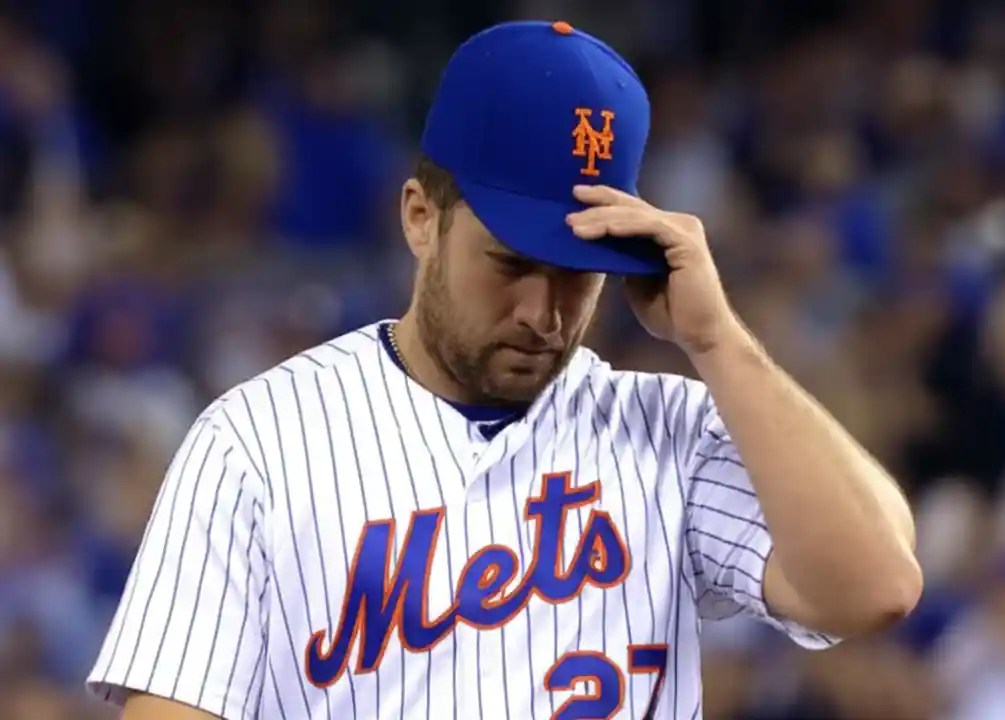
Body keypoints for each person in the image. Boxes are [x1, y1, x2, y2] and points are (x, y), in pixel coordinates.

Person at [84, 20, 921, 719]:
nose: (542, 312)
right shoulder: (257, 441)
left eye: (575, 272)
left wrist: (720, 344)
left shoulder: (673, 427)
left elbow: (875, 585)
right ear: (421, 219)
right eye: (511, 262)